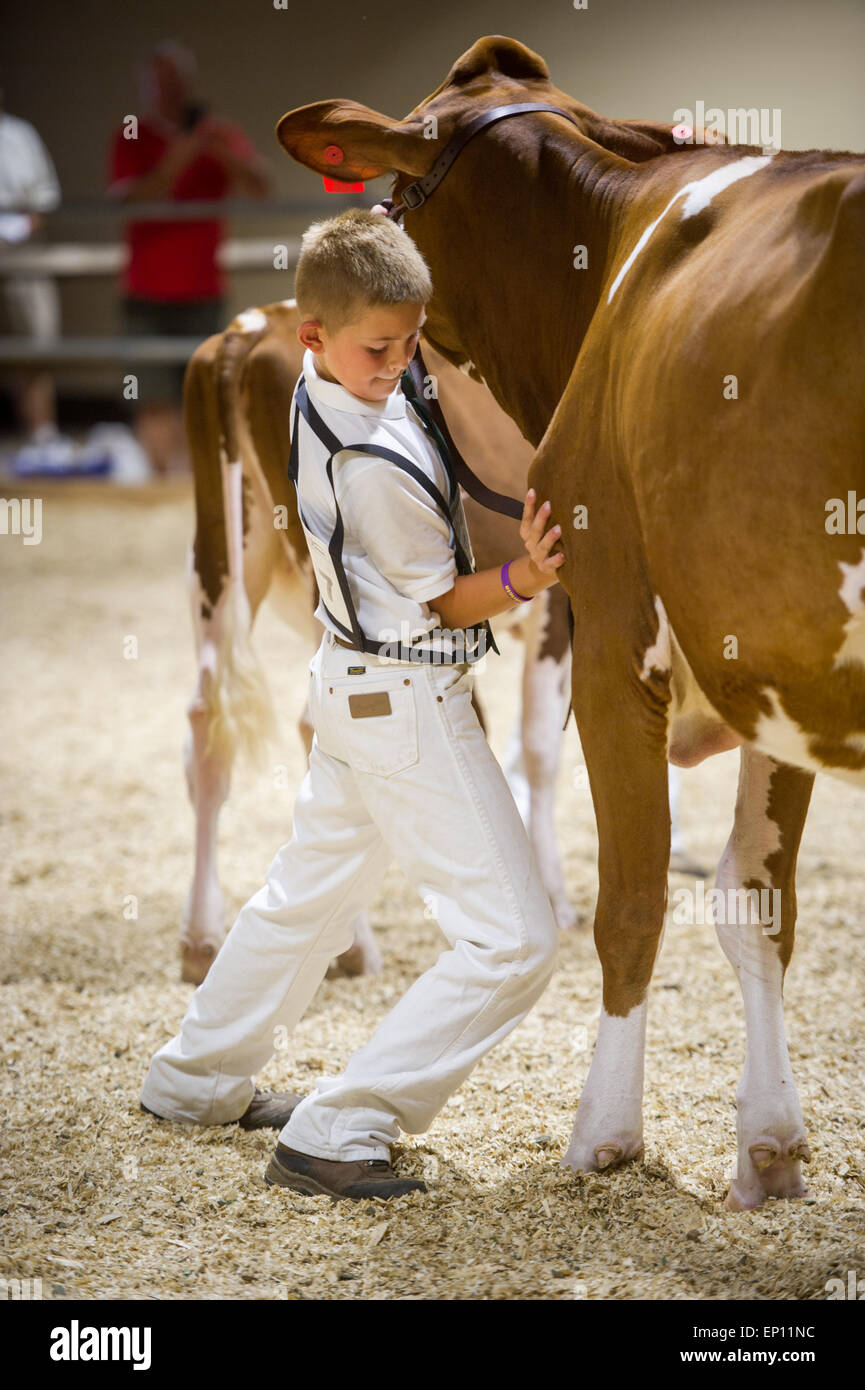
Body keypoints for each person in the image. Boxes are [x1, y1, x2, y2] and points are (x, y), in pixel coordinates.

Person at [140, 208, 565, 1200]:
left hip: (345, 690)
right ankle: (342, 1123)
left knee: (306, 897)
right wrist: (528, 575)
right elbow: (445, 599)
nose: (402, 361)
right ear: (313, 337)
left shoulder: (314, 393)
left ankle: (193, 1076)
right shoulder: (373, 465)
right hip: (409, 702)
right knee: (516, 940)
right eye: (382, 347)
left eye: (413, 340)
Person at [106, 40, 271, 475]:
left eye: (177, 82)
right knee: (151, 395)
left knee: (202, 393)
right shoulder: (132, 132)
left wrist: (219, 152)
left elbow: (262, 186)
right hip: (146, 290)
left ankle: (190, 486)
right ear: (146, 88)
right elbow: (135, 198)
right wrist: (184, 149)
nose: (171, 91)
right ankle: (158, 481)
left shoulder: (218, 133)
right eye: (161, 83)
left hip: (203, 289)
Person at [0, 85, 78, 472]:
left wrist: (16, 230)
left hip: (21, 252)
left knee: (35, 346)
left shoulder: (20, 135)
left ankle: (42, 437)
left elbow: (44, 198)